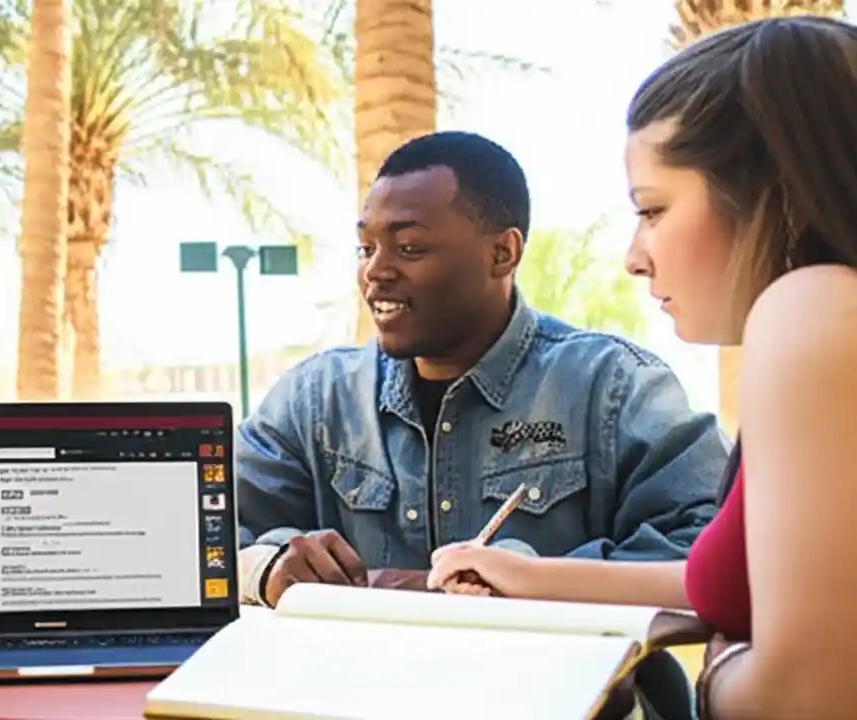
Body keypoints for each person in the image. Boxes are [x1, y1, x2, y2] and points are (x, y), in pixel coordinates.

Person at [428, 16, 857, 719]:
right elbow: (737, 584)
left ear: (774, 193)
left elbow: (809, 697)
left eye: (653, 210)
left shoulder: (812, 310)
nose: (635, 256)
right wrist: (536, 577)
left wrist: (716, 670)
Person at [235, 130, 728, 609]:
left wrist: (535, 583)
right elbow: (202, 534)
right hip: (353, 690)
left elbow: (710, 557)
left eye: (409, 248)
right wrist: (270, 567)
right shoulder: (316, 401)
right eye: (367, 249)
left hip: (558, 691)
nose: (376, 271)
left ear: (502, 253)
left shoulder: (615, 387)